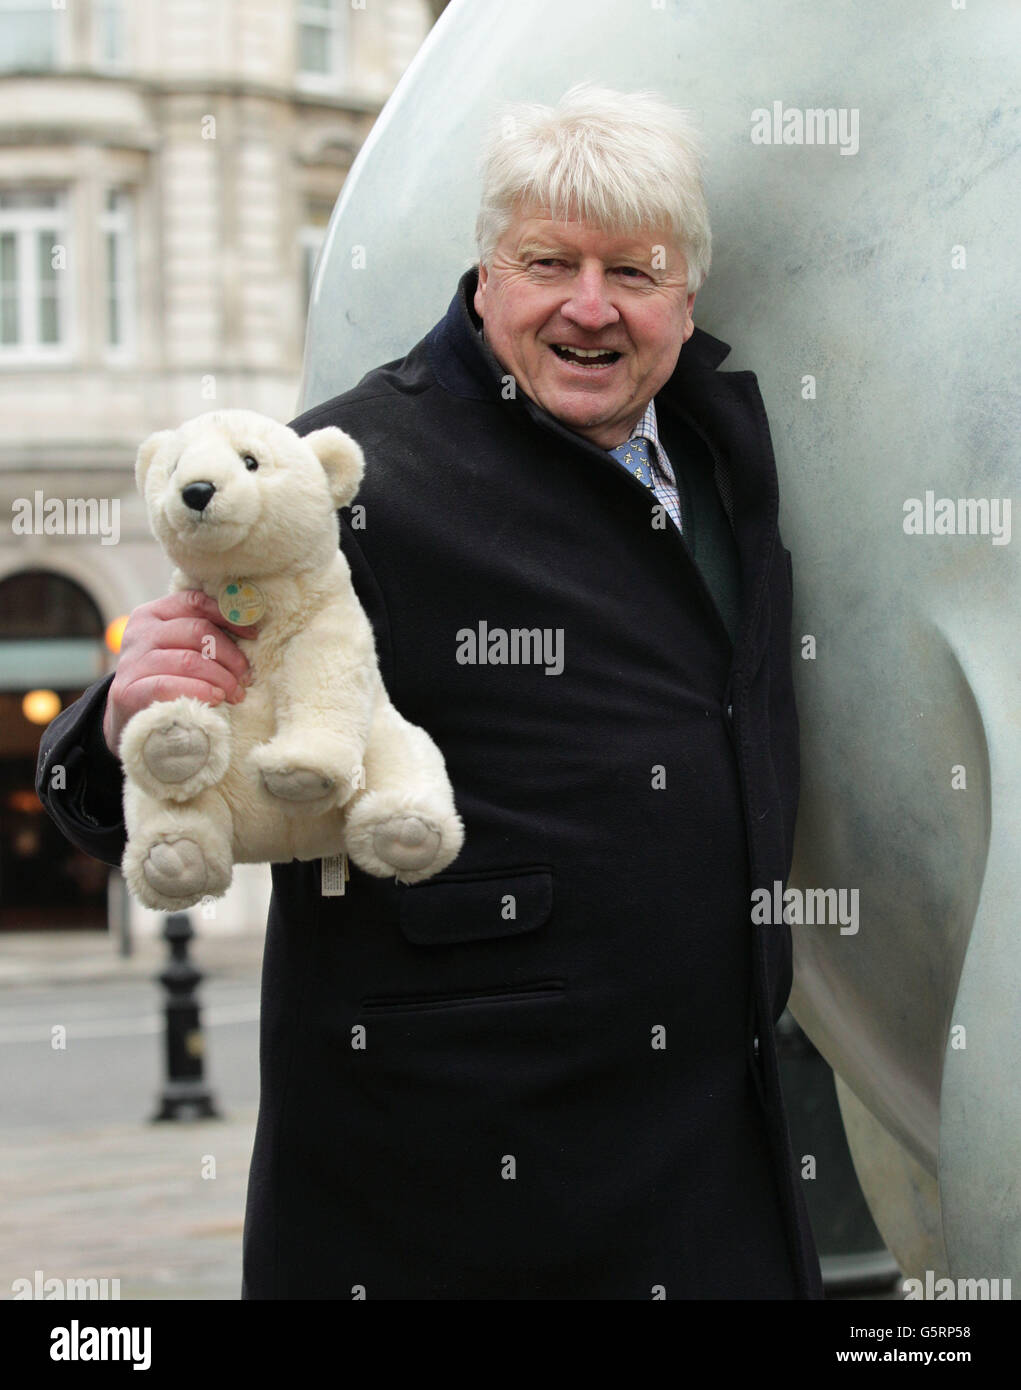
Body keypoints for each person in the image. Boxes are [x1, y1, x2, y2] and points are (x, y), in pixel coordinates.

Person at [37, 85, 823, 1300]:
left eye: (634, 270)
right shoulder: (349, 473)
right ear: (484, 271)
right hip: (449, 1192)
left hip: (710, 1156)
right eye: (547, 261)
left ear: (687, 294)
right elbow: (136, 746)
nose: (589, 304)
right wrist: (119, 720)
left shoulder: (722, 453)